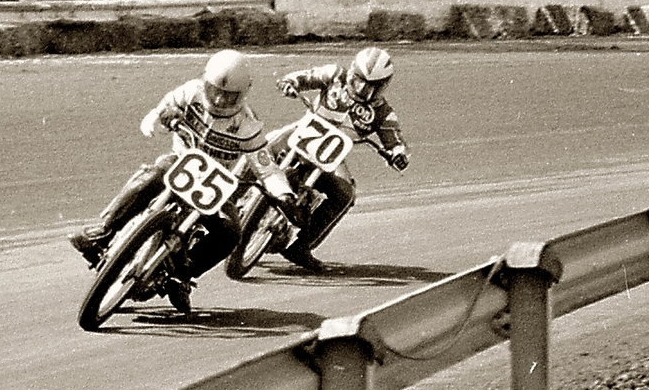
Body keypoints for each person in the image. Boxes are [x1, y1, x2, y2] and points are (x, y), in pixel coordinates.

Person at [68, 49, 297, 310]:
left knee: (230, 233)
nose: (221, 99)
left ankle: (182, 277)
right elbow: (161, 110)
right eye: (215, 91)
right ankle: (103, 232)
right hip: (179, 162)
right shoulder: (191, 91)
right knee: (152, 174)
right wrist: (163, 118)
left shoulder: (249, 124)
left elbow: (265, 167)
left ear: (243, 94)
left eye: (230, 95)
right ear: (206, 82)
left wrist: (284, 194)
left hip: (215, 187)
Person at [269, 46, 411, 272]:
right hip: (301, 133)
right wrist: (291, 82)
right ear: (352, 71)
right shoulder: (334, 74)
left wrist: (398, 154)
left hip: (331, 158)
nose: (363, 88)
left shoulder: (384, 113)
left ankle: (301, 246)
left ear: (383, 86)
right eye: (359, 80)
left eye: (372, 86)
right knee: (262, 147)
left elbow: (395, 139)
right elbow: (307, 76)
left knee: (346, 194)